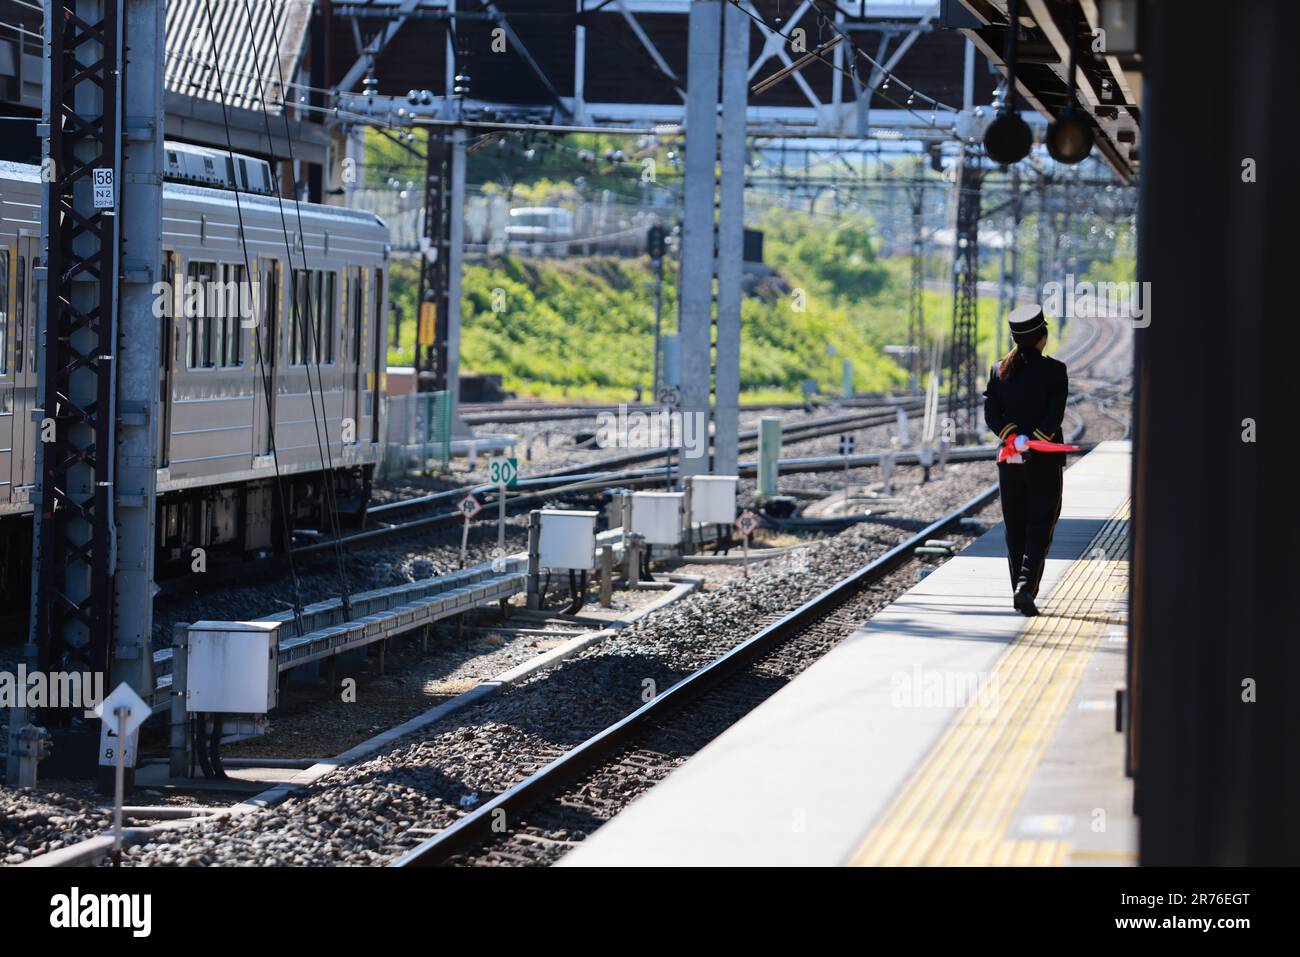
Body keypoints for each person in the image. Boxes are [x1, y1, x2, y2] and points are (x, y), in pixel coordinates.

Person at [983, 304, 1069, 616]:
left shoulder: (998, 369)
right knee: (1040, 524)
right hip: (1043, 461)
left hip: (1009, 461)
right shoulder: (1055, 371)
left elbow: (992, 414)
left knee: (1014, 526)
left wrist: (1014, 438)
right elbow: (1054, 417)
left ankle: (1018, 591)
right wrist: (1033, 442)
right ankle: (1025, 586)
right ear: (1042, 336)